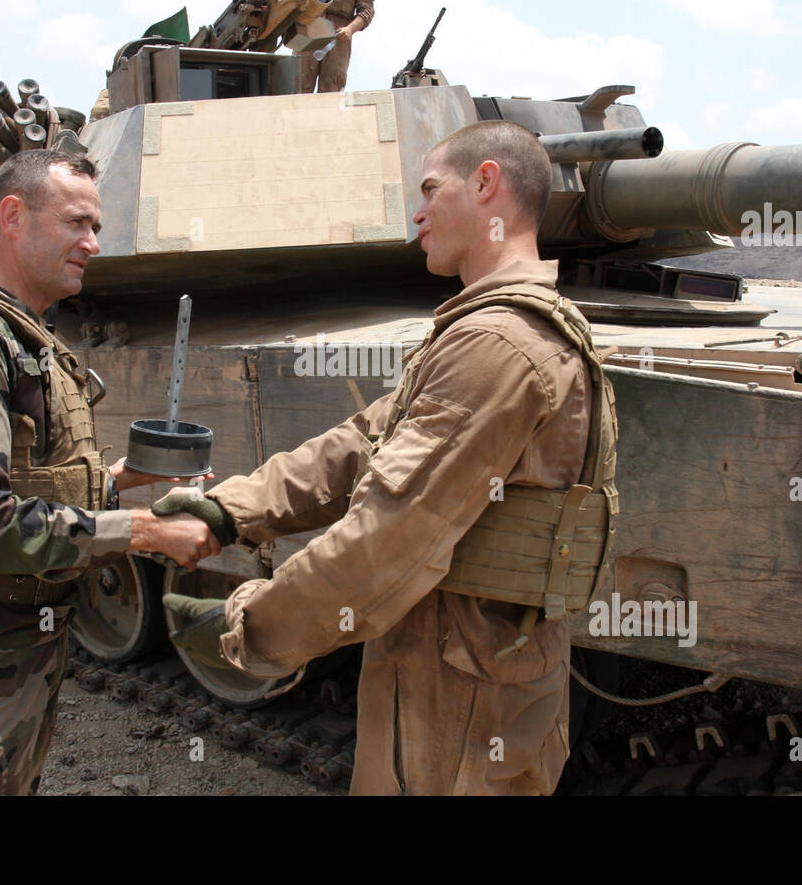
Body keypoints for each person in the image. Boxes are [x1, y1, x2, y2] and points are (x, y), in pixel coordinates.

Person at [165, 120, 618, 795]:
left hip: (455, 703)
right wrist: (228, 509)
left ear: (487, 183)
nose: (417, 211)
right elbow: (357, 445)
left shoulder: (498, 345)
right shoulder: (488, 330)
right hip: (468, 672)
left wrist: (249, 627)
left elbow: (382, 539)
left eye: (432, 188)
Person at [0, 148, 220, 795]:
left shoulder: (17, 337)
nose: (92, 242)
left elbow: (22, 483)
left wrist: (115, 483)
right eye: (75, 223)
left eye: (96, 226)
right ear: (12, 216)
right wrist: (137, 532)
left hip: (10, 659)